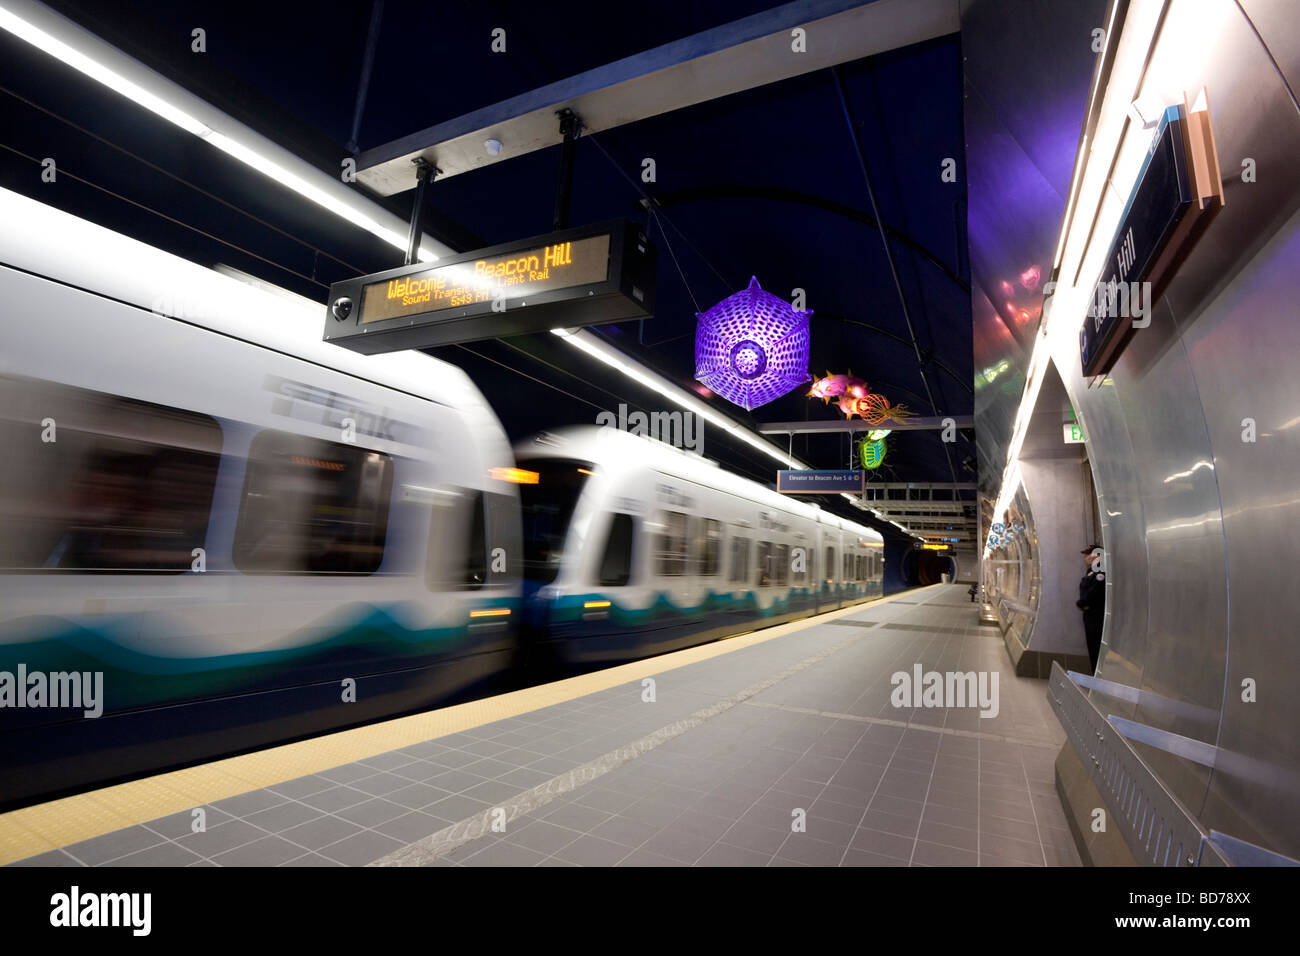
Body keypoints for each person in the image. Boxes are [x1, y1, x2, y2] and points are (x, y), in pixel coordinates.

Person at [1076, 544, 1106, 671]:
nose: (1086, 557)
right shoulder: (1090, 571)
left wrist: (1082, 603)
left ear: (1098, 556)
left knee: (1096, 648)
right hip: (1089, 615)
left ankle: (1098, 676)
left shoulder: (1101, 572)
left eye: (1089, 554)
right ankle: (1094, 674)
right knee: (1092, 647)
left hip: (1096, 616)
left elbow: (1095, 591)